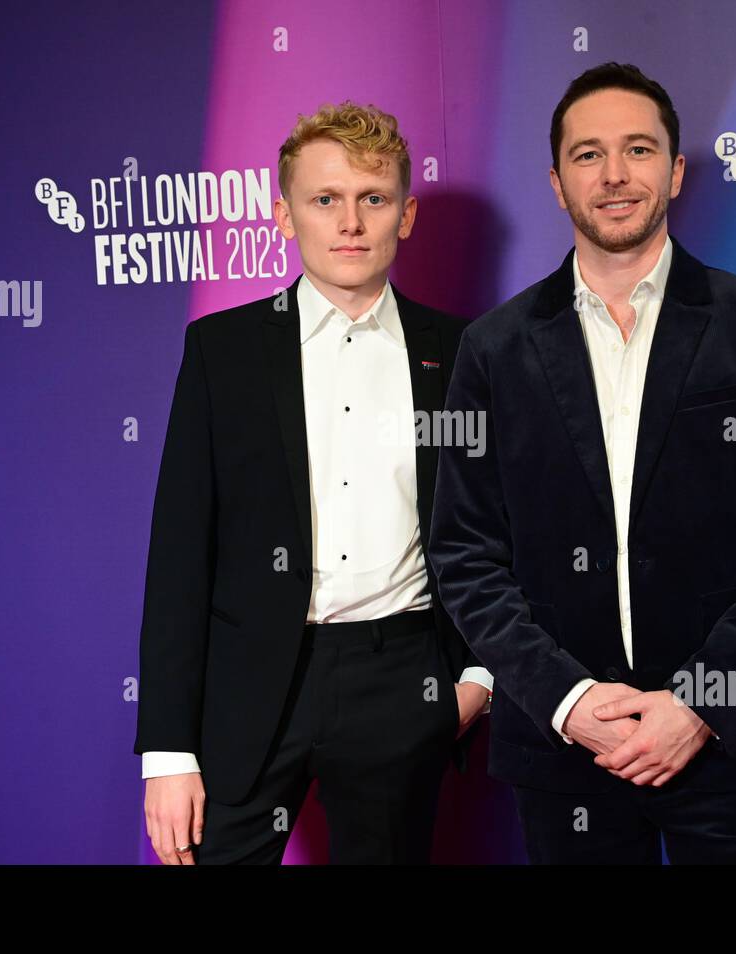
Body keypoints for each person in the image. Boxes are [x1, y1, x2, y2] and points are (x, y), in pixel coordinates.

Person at [428, 62, 736, 864]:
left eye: (639, 150)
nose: (615, 175)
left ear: (676, 170)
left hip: (735, 747)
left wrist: (698, 703)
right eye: (588, 155)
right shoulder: (491, 351)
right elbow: (464, 553)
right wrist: (569, 700)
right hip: (567, 756)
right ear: (556, 182)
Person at [135, 101, 491, 865]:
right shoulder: (221, 352)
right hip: (249, 683)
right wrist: (167, 751)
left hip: (402, 677)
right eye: (325, 199)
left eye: (374, 198)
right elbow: (178, 553)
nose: (351, 222)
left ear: (407, 214)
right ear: (283, 214)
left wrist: (479, 677)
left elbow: (499, 525)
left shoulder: (463, 351)